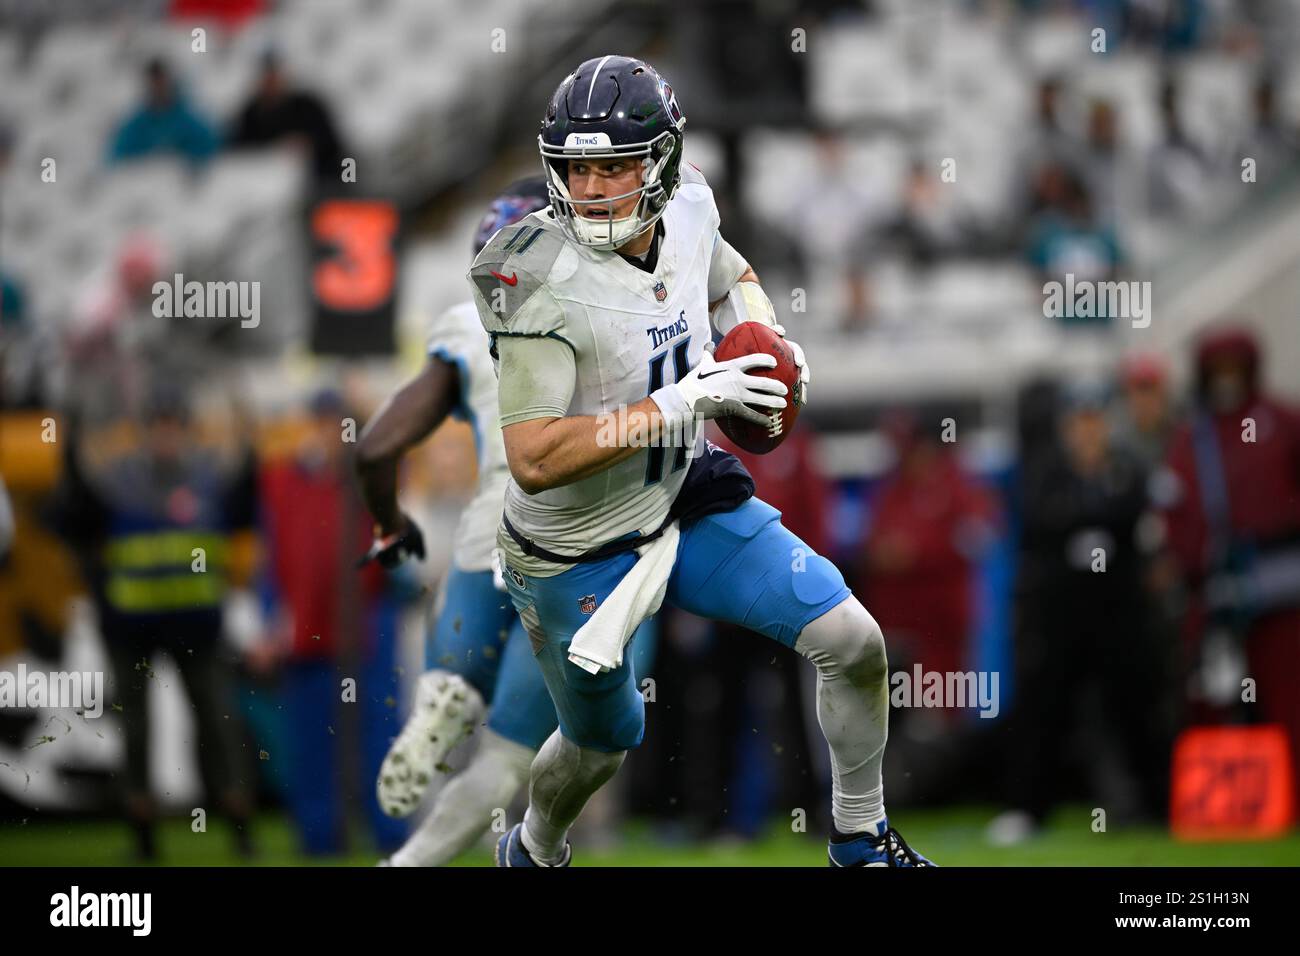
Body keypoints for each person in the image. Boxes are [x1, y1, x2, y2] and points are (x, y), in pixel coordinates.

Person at [472, 55, 931, 867]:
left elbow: (733, 279)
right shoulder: (535, 277)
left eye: (615, 165)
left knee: (853, 639)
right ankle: (534, 848)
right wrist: (681, 403)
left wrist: (769, 340)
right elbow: (535, 458)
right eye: (579, 168)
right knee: (605, 742)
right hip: (572, 552)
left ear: (662, 162)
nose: (593, 187)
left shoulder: (688, 210)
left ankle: (861, 840)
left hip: (680, 497)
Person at [354, 179, 654, 866]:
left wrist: (389, 525)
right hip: (583, 541)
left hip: (486, 528)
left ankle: (444, 694)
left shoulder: (467, 321)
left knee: (458, 686)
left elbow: (373, 448)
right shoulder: (612, 307)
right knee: (508, 756)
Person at [107, 58, 219, 167]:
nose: (158, 88)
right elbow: (117, 156)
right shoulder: (137, 124)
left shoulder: (188, 120)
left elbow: (209, 148)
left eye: (161, 82)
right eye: (154, 83)